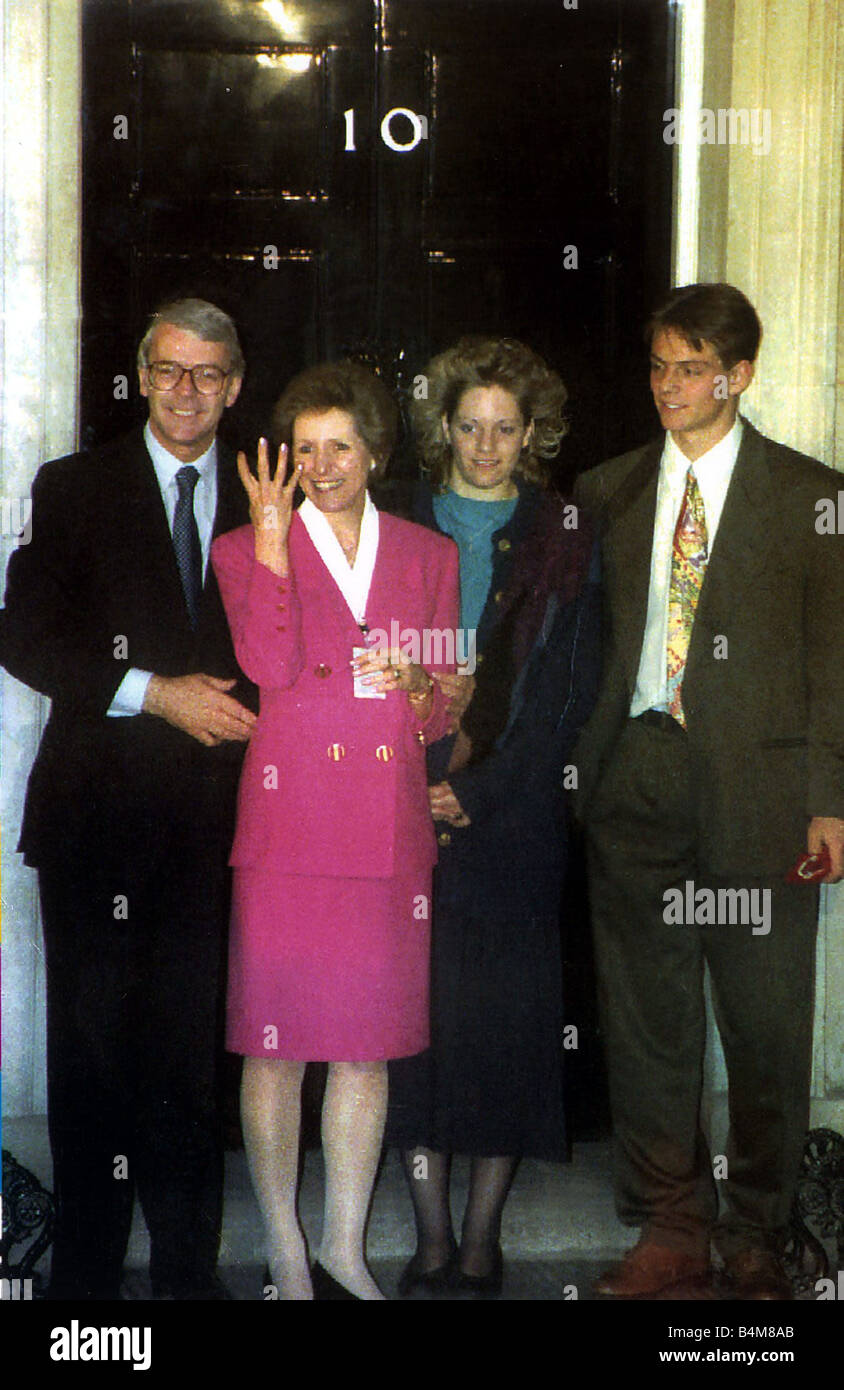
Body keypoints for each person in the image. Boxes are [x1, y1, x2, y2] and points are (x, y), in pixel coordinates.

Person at [574, 282, 844, 1300]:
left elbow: (834, 665)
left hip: (763, 794)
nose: (668, 386)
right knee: (646, 1020)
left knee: (766, 1022)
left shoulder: (813, 497)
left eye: (690, 367)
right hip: (635, 777)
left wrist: (831, 801)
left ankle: (760, 1235)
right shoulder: (606, 492)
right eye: (658, 366)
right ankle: (670, 1227)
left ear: (737, 375)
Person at [0, 298, 258, 1300]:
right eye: (168, 370)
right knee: (93, 1069)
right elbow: (23, 635)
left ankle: (189, 1284)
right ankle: (87, 1289)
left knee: (191, 1073)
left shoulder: (266, 490)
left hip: (224, 827)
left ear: (235, 383)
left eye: (208, 373)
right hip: (96, 826)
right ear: (142, 376)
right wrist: (155, 693)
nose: (187, 392)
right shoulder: (75, 487)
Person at [211, 361, 459, 1301]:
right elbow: (268, 663)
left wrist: (424, 689)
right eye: (305, 448)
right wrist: (275, 541)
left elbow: (441, 718)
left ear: (375, 451)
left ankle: (344, 1249)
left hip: (386, 834)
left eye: (340, 446)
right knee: (274, 1048)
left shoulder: (432, 556)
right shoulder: (244, 550)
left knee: (364, 1045)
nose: (321, 465)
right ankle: (284, 1250)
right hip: (287, 832)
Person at [384, 336, 601, 1296]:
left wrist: (476, 788)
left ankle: (479, 1243)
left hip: (512, 819)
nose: (484, 446)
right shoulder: (397, 516)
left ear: (532, 435)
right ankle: (429, 1241)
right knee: (411, 1034)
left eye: (504, 430)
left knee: (504, 1036)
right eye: (468, 426)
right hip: (392, 814)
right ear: (443, 428)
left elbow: (563, 691)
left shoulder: (562, 527)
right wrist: (407, 786)